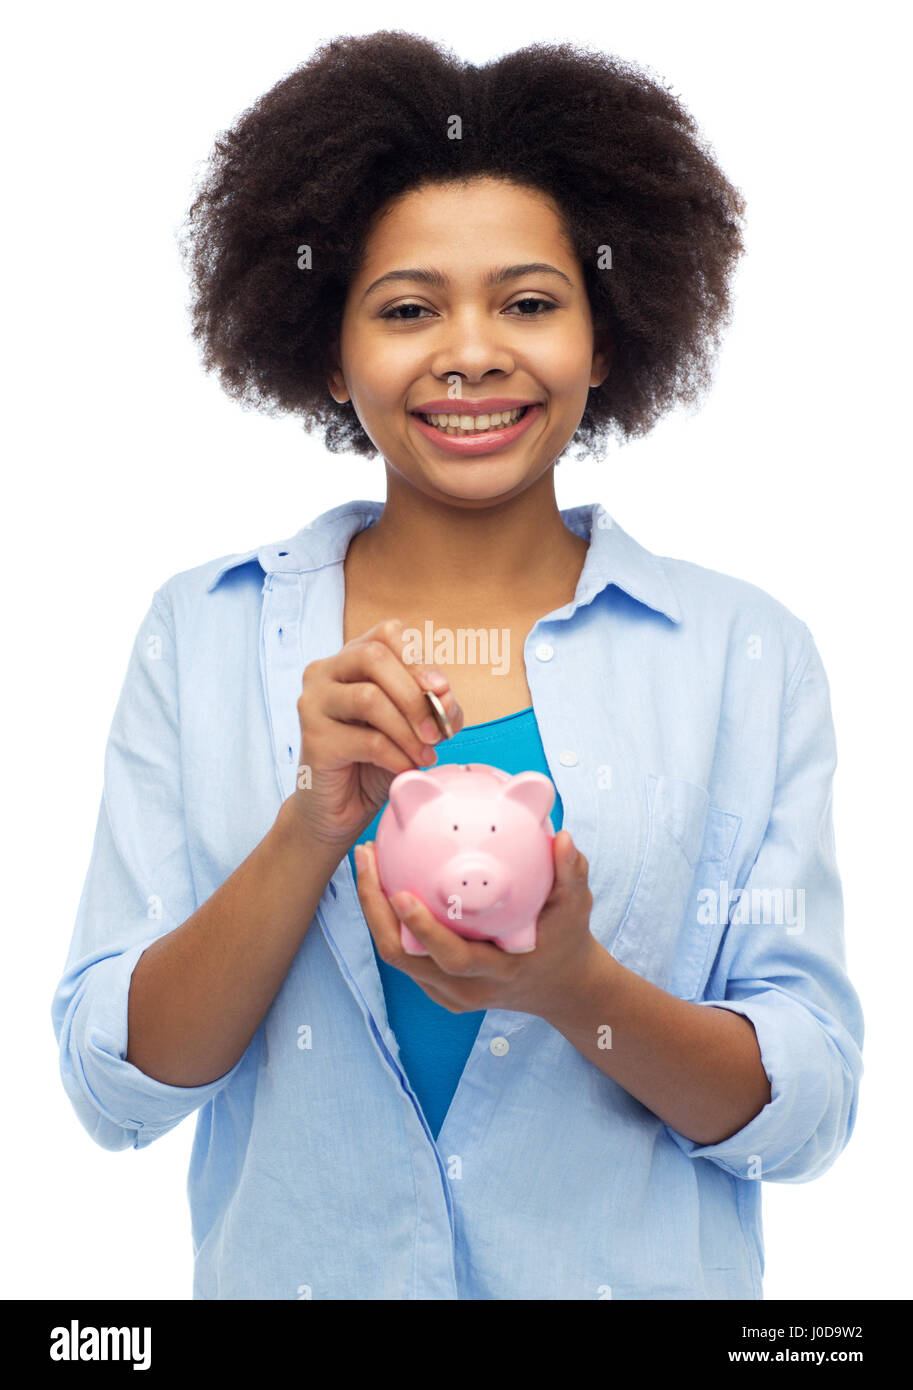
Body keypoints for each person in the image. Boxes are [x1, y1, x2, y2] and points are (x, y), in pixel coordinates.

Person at [51, 31, 864, 1300]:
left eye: (529, 302)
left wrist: (573, 988)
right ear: (330, 351)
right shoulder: (200, 634)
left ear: (606, 337)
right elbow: (119, 1090)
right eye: (408, 307)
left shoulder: (739, 656)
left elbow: (805, 1109)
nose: (471, 351)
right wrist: (307, 830)